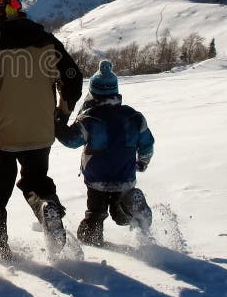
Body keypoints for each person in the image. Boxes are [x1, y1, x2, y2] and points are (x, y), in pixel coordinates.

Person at [0, 0, 82, 260]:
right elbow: (73, 79)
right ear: (18, 7)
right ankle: (46, 206)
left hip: (0, 137)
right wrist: (61, 115)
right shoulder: (47, 40)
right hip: (41, 132)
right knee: (37, 181)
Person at [54, 60, 155, 246]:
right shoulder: (133, 116)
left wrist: (57, 122)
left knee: (96, 214)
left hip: (97, 179)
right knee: (120, 215)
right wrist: (142, 162)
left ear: (93, 92)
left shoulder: (90, 119)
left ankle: (91, 240)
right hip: (125, 176)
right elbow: (147, 143)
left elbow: (71, 140)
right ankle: (132, 205)